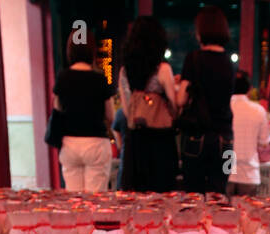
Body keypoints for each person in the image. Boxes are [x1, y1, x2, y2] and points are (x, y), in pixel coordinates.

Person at [177, 5, 235, 194]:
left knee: (193, 197)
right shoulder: (229, 63)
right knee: (219, 195)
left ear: (201, 30)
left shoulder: (194, 59)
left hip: (197, 139)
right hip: (226, 142)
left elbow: (181, 100)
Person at [117, 16, 179, 192]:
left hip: (135, 142)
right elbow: (174, 107)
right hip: (161, 143)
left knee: (135, 198)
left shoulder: (124, 71)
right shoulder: (163, 69)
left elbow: (127, 111)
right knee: (162, 197)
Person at [53, 37, 115, 192]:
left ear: (70, 52)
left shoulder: (63, 77)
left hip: (70, 143)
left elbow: (57, 108)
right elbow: (111, 115)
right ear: (91, 52)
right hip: (96, 143)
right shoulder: (100, 79)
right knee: (96, 201)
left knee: (74, 200)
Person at [228, 71, 270, 197]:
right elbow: (264, 141)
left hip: (226, 167)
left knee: (222, 214)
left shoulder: (224, 107)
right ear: (249, 89)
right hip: (249, 171)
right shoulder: (258, 110)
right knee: (247, 213)